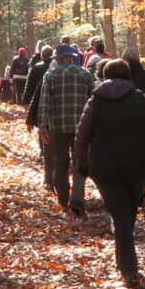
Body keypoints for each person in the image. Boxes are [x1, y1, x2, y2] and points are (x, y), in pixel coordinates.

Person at [75, 58, 145, 283]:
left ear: (104, 75)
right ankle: (128, 268)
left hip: (104, 167)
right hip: (137, 166)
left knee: (122, 215)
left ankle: (124, 261)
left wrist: (81, 163)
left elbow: (81, 136)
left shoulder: (95, 101)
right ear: (128, 76)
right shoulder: (142, 99)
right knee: (125, 214)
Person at [36, 44, 95, 212]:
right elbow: (93, 100)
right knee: (79, 162)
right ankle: (77, 199)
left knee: (61, 162)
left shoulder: (51, 75)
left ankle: (63, 199)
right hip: (81, 127)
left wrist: (42, 126)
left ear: (58, 58)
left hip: (58, 127)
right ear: (72, 57)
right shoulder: (84, 74)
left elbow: (44, 103)